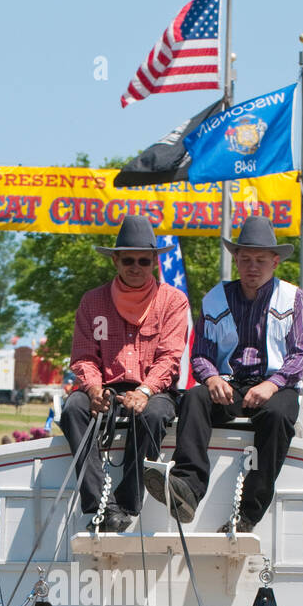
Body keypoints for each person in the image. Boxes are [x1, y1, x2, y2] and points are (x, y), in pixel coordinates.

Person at [144, 216, 303, 534]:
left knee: (277, 417)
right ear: (236, 259)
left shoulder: (294, 299)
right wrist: (211, 379)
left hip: (277, 387)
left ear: (275, 261)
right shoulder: (215, 297)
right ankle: (187, 488)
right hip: (230, 383)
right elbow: (200, 354)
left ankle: (249, 512)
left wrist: (271, 385)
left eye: (260, 260)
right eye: (245, 259)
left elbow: (301, 355)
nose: (252, 267)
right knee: (195, 397)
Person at [59, 215, 189, 534]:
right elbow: (84, 356)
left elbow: (170, 357)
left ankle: (128, 501)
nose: (136, 266)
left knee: (156, 415)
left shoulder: (173, 301)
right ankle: (100, 505)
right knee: (72, 410)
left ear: (154, 261)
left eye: (143, 260)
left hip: (154, 389)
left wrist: (144, 392)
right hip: (105, 387)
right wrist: (93, 389)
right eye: (128, 259)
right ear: (115, 260)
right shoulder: (92, 301)